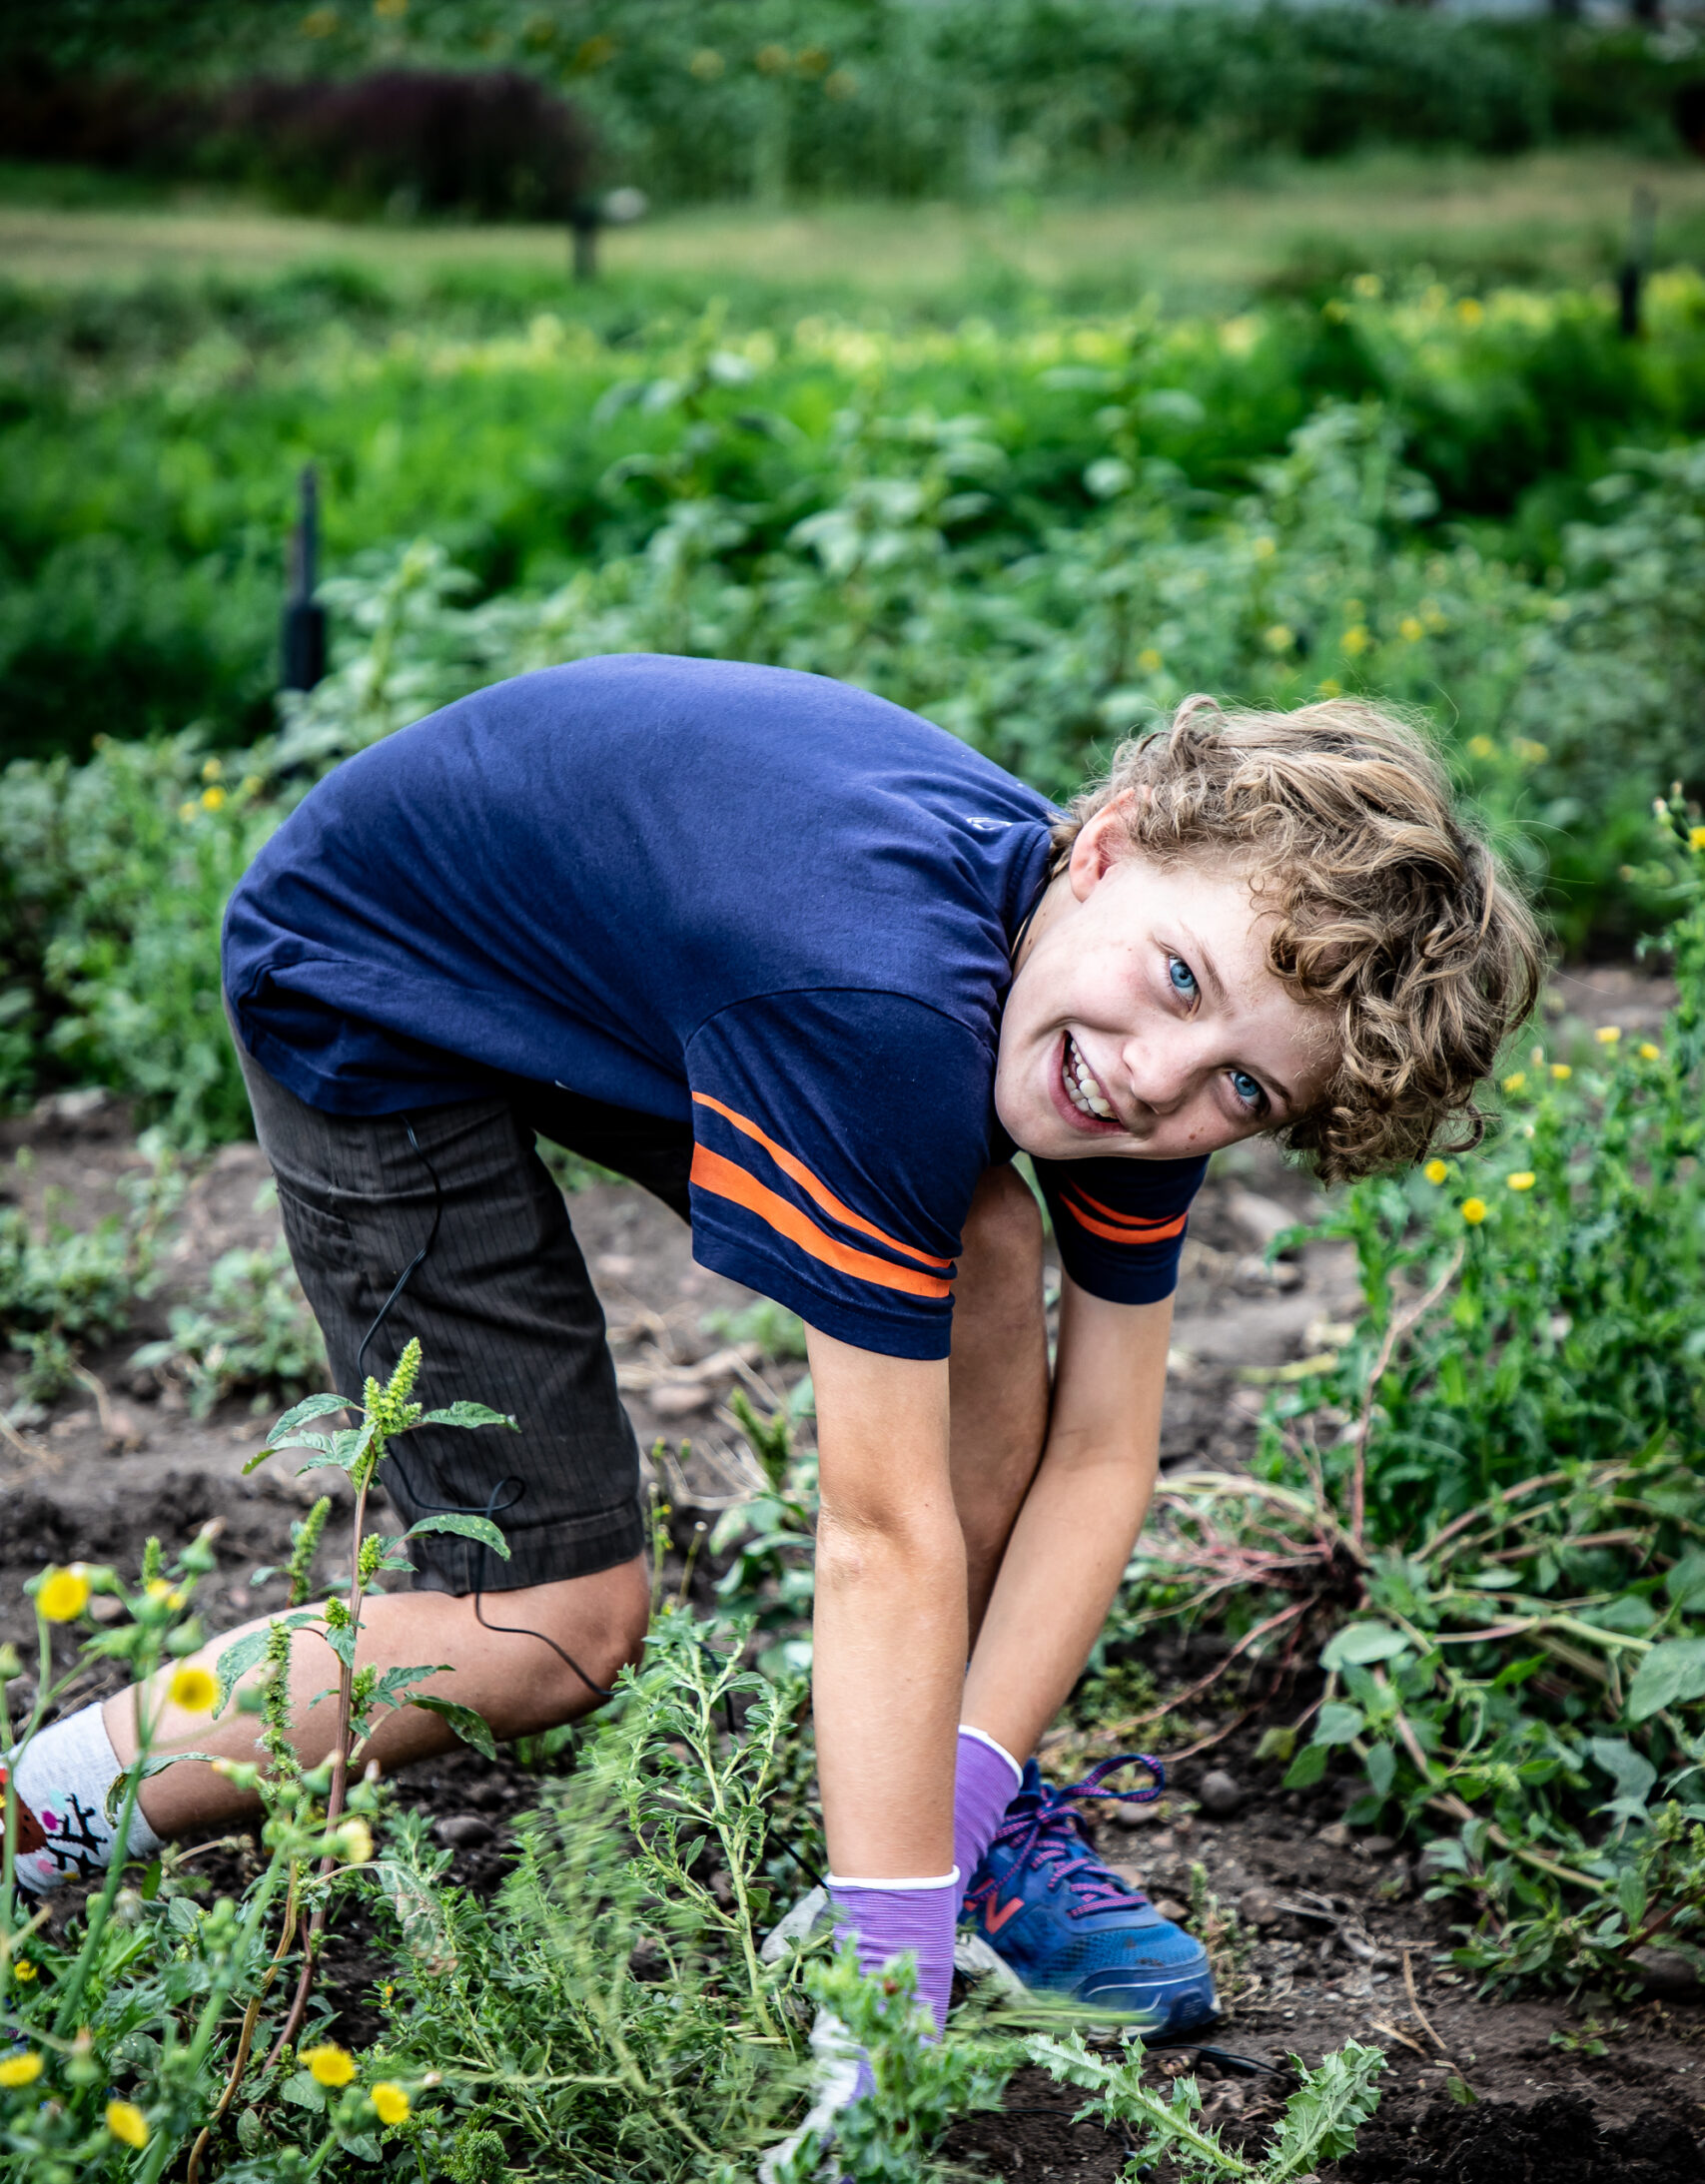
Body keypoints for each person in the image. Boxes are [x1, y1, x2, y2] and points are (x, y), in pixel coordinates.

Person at [9, 659, 1539, 2079]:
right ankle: (33, 1810)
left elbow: (1102, 1454)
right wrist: (885, 2017)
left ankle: (941, 1822)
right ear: (1108, 846)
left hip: (625, 954)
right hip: (371, 975)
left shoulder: (1112, 1030)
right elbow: (878, 1536)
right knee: (551, 1627)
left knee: (985, 1247)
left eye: (1242, 1089)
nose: (1154, 1077)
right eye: (1183, 985)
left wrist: (961, 1786)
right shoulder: (882, 1014)